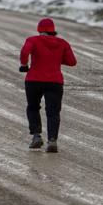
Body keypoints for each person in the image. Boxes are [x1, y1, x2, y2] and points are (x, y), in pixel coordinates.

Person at [19, 17, 77, 152]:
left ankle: (36, 136)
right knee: (53, 112)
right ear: (53, 30)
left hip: (34, 80)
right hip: (55, 82)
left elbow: (24, 52)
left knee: (33, 107)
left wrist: (23, 65)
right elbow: (72, 62)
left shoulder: (33, 40)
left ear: (39, 29)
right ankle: (52, 141)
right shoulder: (62, 43)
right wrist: (55, 59)